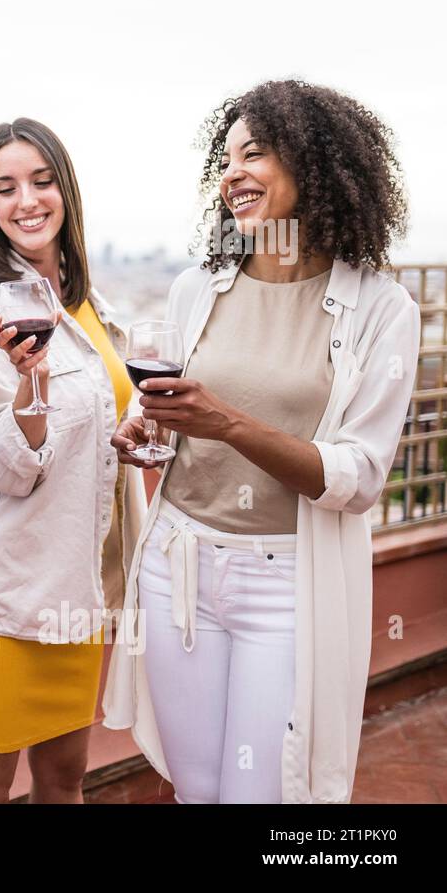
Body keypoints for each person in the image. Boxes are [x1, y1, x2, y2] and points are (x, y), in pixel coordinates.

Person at [103, 80, 421, 803]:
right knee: (196, 787)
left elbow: (360, 476)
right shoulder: (197, 289)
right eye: (225, 158)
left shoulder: (380, 309)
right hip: (177, 566)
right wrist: (148, 427)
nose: (232, 172)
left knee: (259, 794)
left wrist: (228, 424)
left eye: (255, 153)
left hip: (286, 583)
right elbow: (176, 415)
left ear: (317, 165)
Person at [0, 119, 144, 803]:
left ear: (65, 191)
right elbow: (7, 470)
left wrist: (135, 425)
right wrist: (31, 387)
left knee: (64, 784)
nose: (26, 200)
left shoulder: (87, 305)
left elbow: (105, 416)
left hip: (73, 596)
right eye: (6, 187)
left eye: (41, 181)